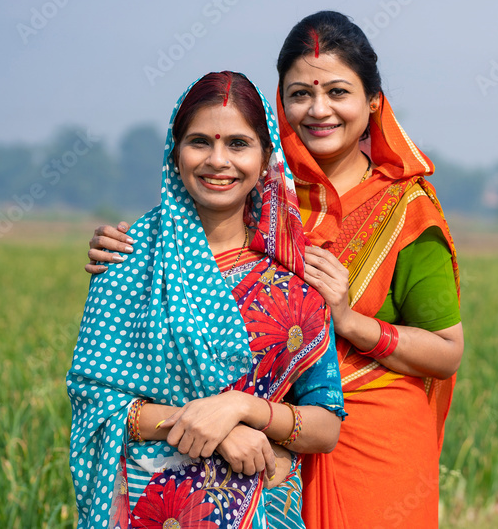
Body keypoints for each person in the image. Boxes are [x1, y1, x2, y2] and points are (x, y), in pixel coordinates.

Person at [87, 11, 464, 528]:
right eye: (300, 94)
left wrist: (349, 322)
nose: (319, 110)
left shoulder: (405, 213)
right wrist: (126, 248)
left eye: (338, 92)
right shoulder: (254, 191)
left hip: (367, 443)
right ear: (280, 104)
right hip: (239, 453)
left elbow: (446, 351)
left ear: (373, 102)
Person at [69, 72, 346, 529]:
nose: (218, 161)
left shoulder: (295, 278)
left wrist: (243, 408)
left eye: (238, 144)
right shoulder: (127, 261)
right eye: (199, 142)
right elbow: (96, 403)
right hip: (150, 507)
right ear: (174, 153)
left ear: (265, 158)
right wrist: (218, 431)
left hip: (265, 508)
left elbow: (326, 428)